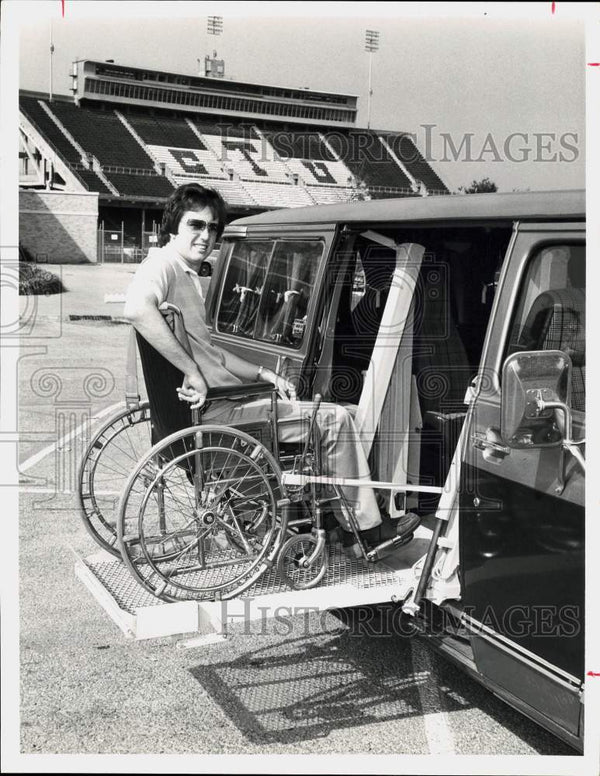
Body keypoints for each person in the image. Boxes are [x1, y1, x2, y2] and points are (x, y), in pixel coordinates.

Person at [124, 183, 419, 554]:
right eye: (195, 225)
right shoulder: (163, 265)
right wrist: (193, 372)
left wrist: (265, 374)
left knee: (334, 414)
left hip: (217, 406)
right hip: (222, 413)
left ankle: (342, 516)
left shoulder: (185, 273)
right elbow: (136, 309)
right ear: (173, 227)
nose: (206, 235)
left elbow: (212, 351)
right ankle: (363, 531)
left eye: (213, 228)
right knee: (337, 420)